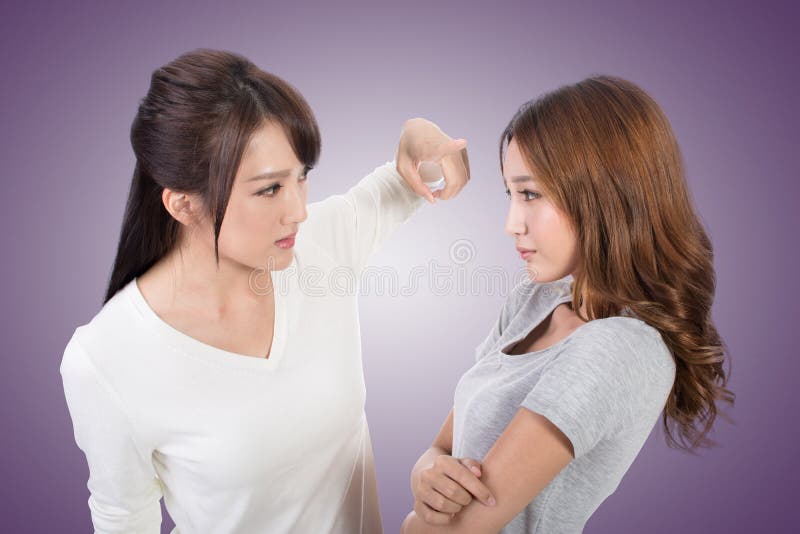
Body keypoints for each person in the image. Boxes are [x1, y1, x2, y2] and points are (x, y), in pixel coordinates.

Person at [59, 48, 469, 534]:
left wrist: (420, 132)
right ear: (183, 205)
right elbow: (123, 519)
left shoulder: (319, 245)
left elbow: (416, 172)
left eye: (302, 177)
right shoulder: (105, 359)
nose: (297, 210)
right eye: (269, 189)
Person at [401, 75, 735, 533]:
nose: (511, 224)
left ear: (606, 194)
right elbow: (442, 446)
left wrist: (417, 518)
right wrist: (425, 474)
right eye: (511, 194)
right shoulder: (534, 301)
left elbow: (461, 530)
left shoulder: (621, 349)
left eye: (531, 194)